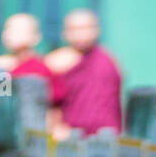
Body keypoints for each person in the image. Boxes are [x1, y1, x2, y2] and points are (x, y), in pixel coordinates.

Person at [45, 8, 122, 138]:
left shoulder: (107, 61)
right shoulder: (57, 62)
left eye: (86, 28)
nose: (81, 34)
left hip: (106, 137)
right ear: (64, 33)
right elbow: (52, 103)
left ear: (97, 30)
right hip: (70, 138)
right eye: (75, 29)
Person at [0, 11, 53, 86]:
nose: (9, 34)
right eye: (7, 29)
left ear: (36, 37)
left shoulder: (39, 68)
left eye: (18, 30)